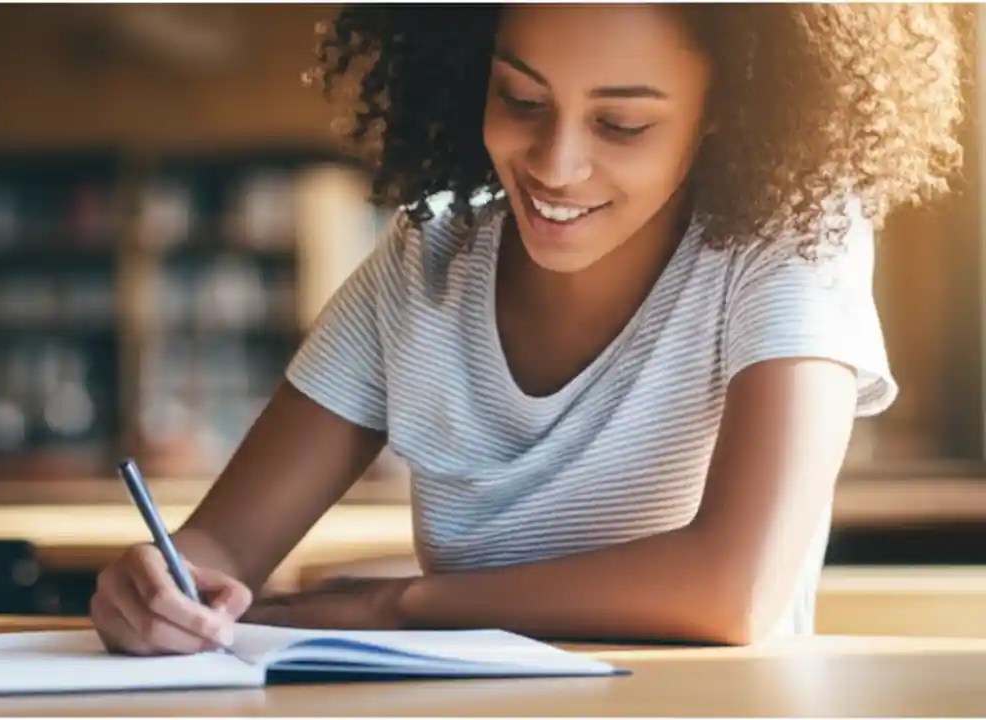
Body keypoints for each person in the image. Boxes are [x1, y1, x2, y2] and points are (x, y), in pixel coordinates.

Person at [90, 4, 965, 653]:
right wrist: (161, 581)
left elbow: (737, 590)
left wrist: (397, 603)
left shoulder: (784, 250)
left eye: (622, 122)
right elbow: (224, 549)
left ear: (726, 115)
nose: (556, 164)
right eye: (521, 99)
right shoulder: (422, 264)